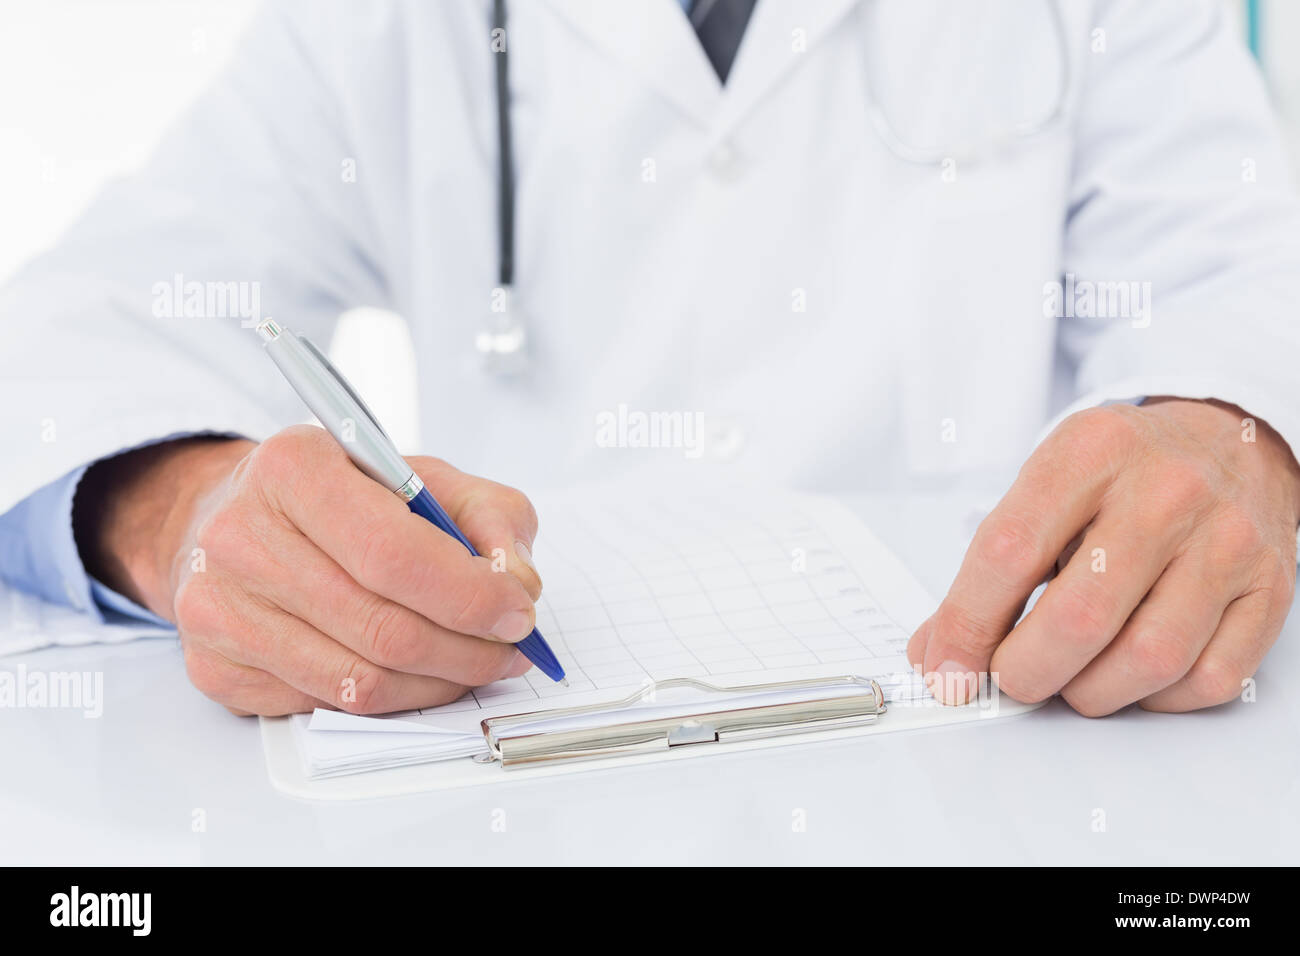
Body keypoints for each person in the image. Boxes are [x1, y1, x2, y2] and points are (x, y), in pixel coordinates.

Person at [1, 0, 1297, 718]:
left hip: (994, 750)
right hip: (540, 766)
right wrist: (182, 511)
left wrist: (1234, 426)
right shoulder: (375, 25)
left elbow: (1245, 269)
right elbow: (84, 316)